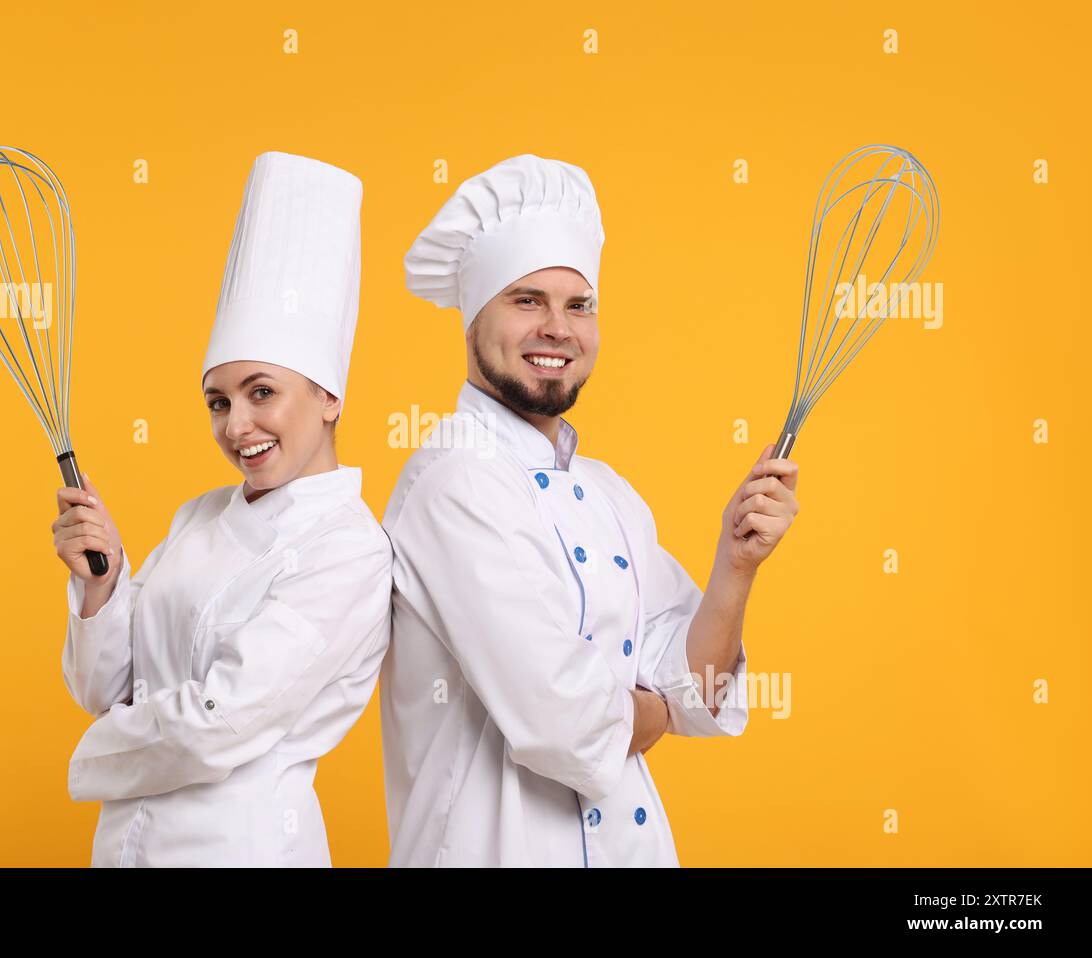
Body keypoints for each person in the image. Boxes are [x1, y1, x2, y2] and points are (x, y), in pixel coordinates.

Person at [380, 154, 801, 867]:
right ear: (474, 316)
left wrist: (736, 567)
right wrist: (654, 707)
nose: (558, 328)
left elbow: (697, 687)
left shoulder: (609, 494)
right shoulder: (451, 485)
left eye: (579, 305)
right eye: (527, 300)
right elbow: (565, 720)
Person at [52, 151, 392, 867]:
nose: (237, 426)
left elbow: (220, 721)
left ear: (329, 396)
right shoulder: (198, 517)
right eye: (219, 401)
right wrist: (105, 583)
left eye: (261, 392)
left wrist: (94, 753)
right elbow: (103, 687)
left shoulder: (349, 549)